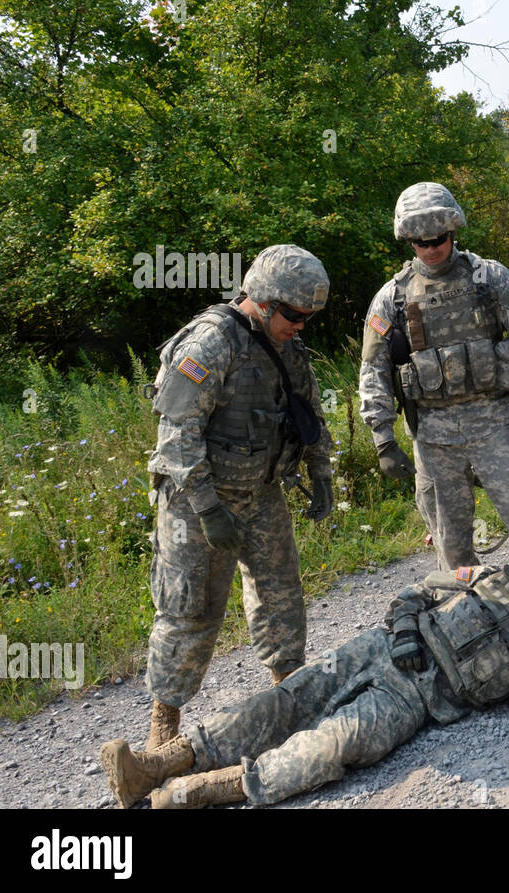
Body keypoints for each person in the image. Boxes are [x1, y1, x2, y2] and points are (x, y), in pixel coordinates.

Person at [99, 560, 509, 809]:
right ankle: (155, 765)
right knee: (284, 701)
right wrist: (404, 628)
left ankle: (193, 792)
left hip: (414, 701)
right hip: (380, 649)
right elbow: (420, 589)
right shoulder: (492, 577)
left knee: (332, 744)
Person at [358, 182, 509, 669]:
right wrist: (383, 438)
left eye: (438, 239)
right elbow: (373, 371)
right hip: (435, 439)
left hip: (496, 428)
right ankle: (469, 647)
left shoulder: (491, 279)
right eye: (421, 244)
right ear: (410, 243)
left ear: (452, 231)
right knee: (453, 552)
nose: (432, 250)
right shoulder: (394, 299)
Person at [142, 244, 335, 752]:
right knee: (191, 610)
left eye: (308, 317)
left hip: (262, 492)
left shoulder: (288, 348)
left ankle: (289, 691)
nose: (301, 325)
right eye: (294, 315)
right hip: (196, 499)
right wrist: (207, 509)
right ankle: (165, 720)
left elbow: (309, 415)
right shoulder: (210, 344)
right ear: (264, 302)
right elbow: (177, 436)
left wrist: (322, 476)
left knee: (281, 592)